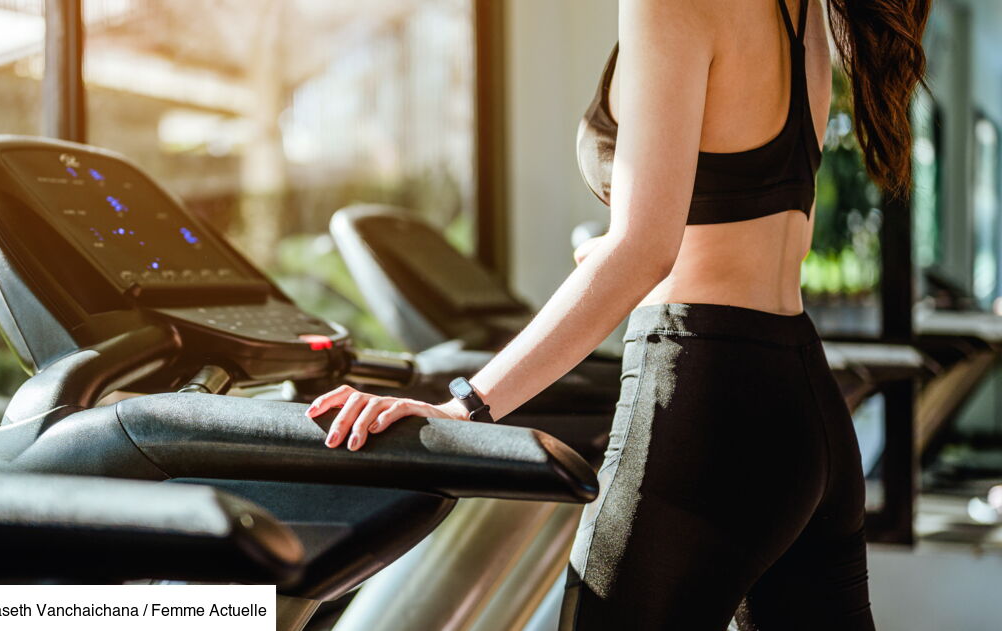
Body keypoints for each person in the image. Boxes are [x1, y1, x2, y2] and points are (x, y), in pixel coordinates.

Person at [307, 0, 930, 628]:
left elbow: (644, 253)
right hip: (804, 405)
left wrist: (462, 407)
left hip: (704, 400)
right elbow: (741, 212)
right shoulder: (800, 13)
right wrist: (618, 250)